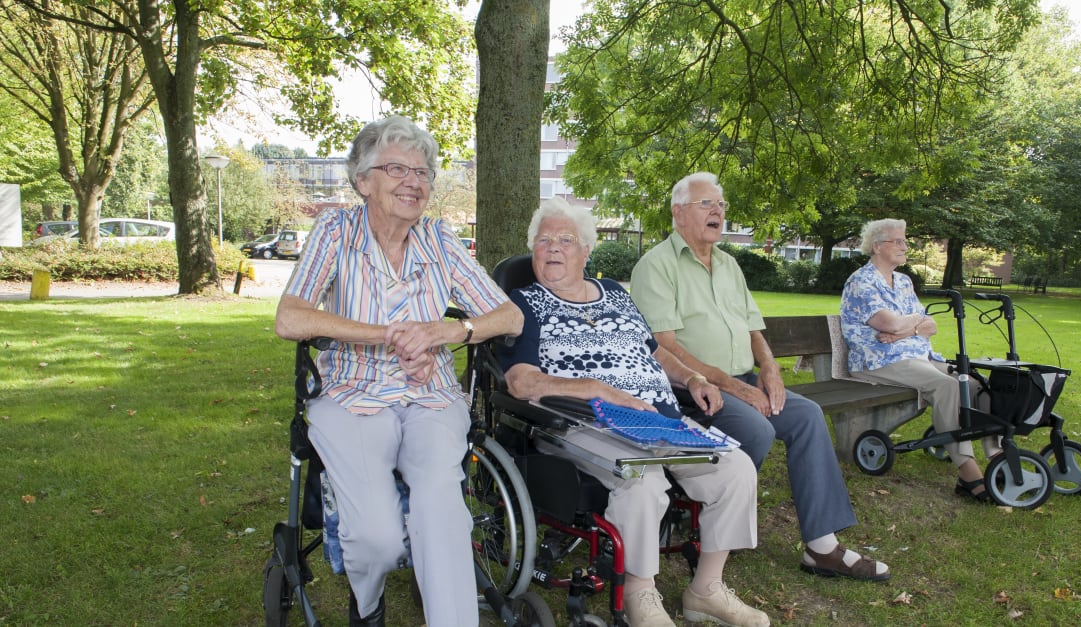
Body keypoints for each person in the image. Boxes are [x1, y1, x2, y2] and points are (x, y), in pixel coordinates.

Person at [274, 116, 523, 627]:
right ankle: (367, 605)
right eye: (397, 169)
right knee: (378, 539)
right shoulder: (335, 231)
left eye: (424, 172)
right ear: (363, 181)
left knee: (440, 505)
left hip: (430, 397)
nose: (414, 181)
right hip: (349, 393)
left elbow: (509, 315)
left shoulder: (439, 240)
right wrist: (386, 333)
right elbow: (290, 318)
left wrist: (447, 331)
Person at [497, 198, 770, 627]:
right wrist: (597, 390)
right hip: (584, 420)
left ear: (587, 251)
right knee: (643, 479)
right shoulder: (524, 303)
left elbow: (656, 352)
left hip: (659, 418)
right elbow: (521, 381)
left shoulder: (617, 296)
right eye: (543, 240)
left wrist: (694, 378)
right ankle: (641, 593)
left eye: (565, 240)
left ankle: (706, 590)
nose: (552, 248)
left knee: (735, 469)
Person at [631, 172, 890, 583]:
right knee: (756, 428)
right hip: (691, 390)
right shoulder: (656, 266)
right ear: (678, 213)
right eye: (706, 204)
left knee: (805, 415)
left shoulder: (729, 264)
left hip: (742, 378)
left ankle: (821, 547)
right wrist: (733, 387)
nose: (718, 211)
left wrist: (769, 369)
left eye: (721, 204)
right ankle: (705, 517)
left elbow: (753, 327)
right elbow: (665, 346)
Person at [839, 218, 1001, 502]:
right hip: (878, 360)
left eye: (905, 241)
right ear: (877, 246)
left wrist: (908, 329)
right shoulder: (861, 282)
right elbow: (887, 324)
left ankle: (997, 456)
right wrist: (912, 325)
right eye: (898, 241)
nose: (905, 247)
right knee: (947, 386)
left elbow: (931, 326)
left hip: (917, 355)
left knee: (977, 384)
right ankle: (967, 471)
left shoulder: (903, 282)